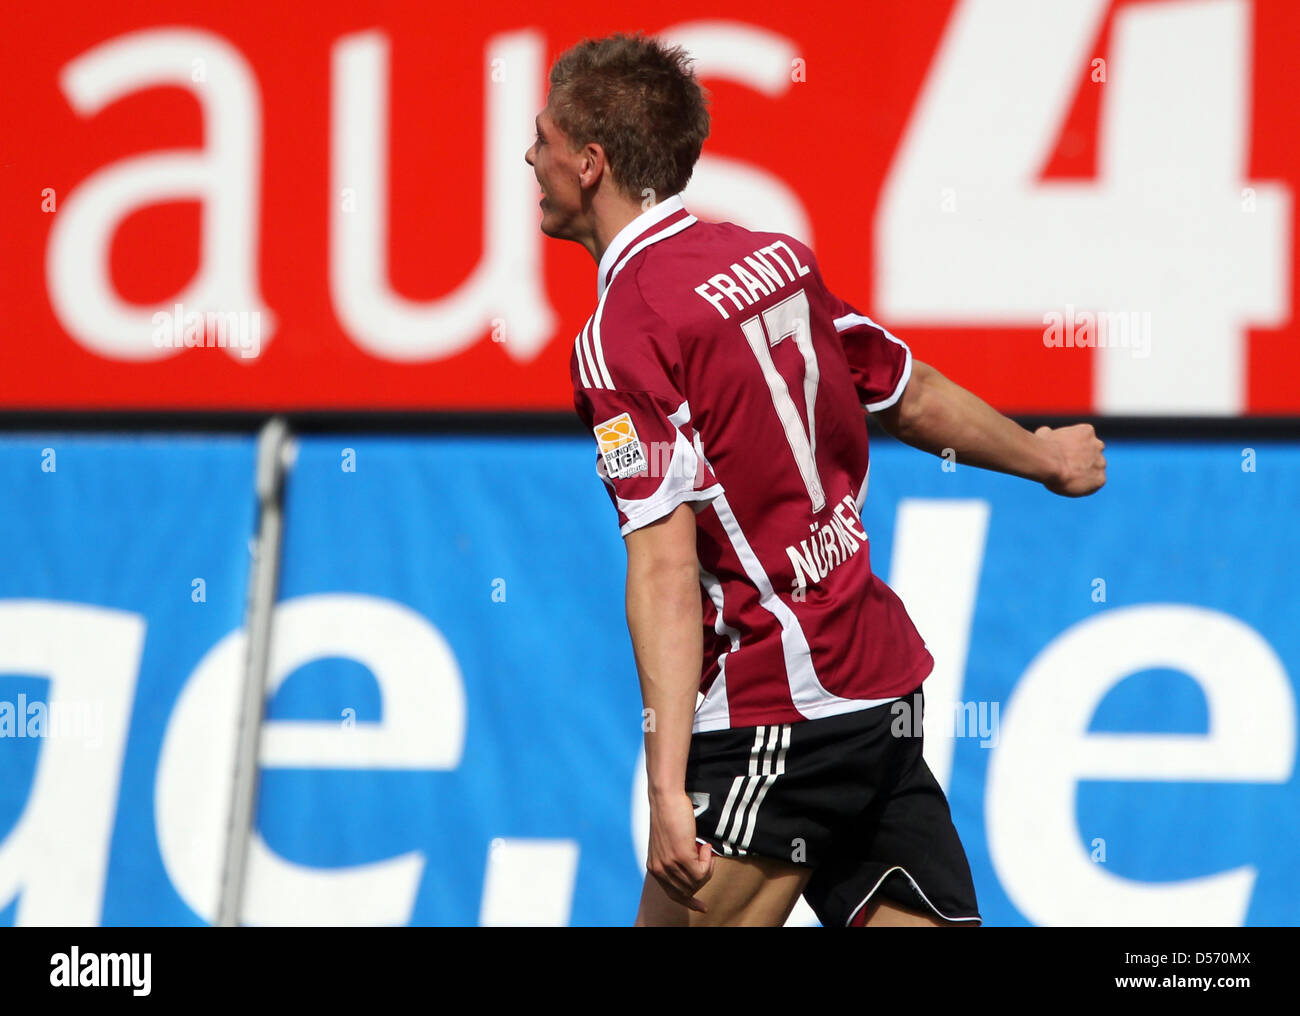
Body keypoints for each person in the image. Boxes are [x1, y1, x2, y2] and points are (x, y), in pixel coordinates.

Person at [525, 33, 1106, 927]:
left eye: (544, 141)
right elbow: (906, 391)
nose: (531, 159)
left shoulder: (620, 336)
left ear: (592, 164)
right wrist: (1045, 457)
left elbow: (667, 571)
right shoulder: (772, 258)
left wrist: (668, 785)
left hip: (777, 713)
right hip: (877, 691)